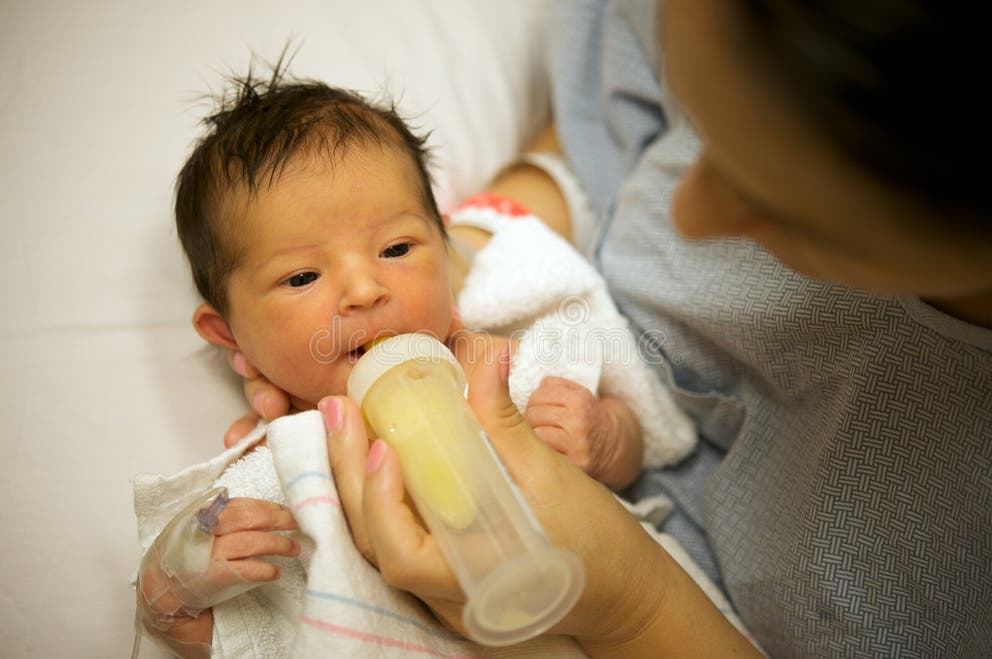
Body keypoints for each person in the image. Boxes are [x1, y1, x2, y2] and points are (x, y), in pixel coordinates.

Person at [230, 0, 992, 656]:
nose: (684, 216)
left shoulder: (527, 364)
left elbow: (639, 434)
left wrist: (629, 593)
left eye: (768, 196)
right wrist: (435, 260)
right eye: (703, 127)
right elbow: (587, 149)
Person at [133, 62, 696, 657]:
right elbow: (233, 638)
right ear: (229, 336)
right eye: (302, 277)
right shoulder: (280, 472)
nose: (364, 289)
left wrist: (605, 437)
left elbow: (639, 449)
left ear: (445, 247)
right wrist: (178, 579)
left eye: (397, 248)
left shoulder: (497, 367)